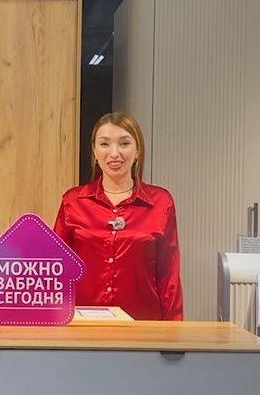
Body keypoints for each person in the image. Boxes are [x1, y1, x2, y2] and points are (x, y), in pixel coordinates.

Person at [53, 111, 183, 320]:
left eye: (124, 143)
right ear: (94, 151)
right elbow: (55, 270)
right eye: (104, 144)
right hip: (83, 325)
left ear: (138, 150)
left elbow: (169, 276)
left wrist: (174, 331)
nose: (114, 153)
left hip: (143, 325)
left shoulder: (161, 203)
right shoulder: (73, 202)